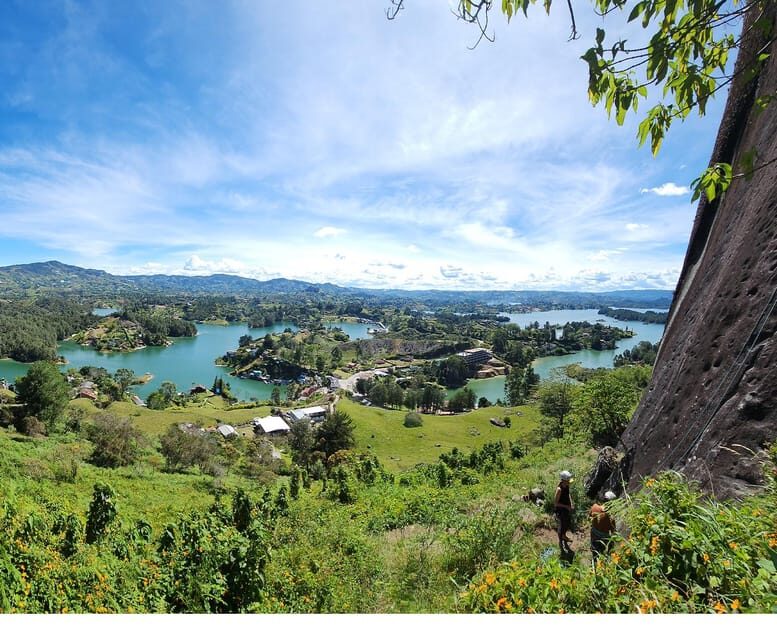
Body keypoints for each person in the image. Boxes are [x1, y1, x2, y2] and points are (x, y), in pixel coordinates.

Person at [590, 490, 617, 560]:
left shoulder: (594, 507)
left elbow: (590, 515)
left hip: (594, 533)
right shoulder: (611, 517)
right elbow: (613, 530)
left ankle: (594, 562)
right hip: (604, 538)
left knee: (595, 553)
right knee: (609, 548)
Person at [554, 470, 574, 552]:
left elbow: (568, 494)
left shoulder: (566, 486)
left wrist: (571, 502)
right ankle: (561, 541)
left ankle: (564, 536)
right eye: (568, 480)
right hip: (561, 510)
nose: (570, 482)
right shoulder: (559, 489)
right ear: (564, 480)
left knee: (567, 523)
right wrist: (566, 506)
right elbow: (555, 503)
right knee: (562, 526)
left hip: (566, 509)